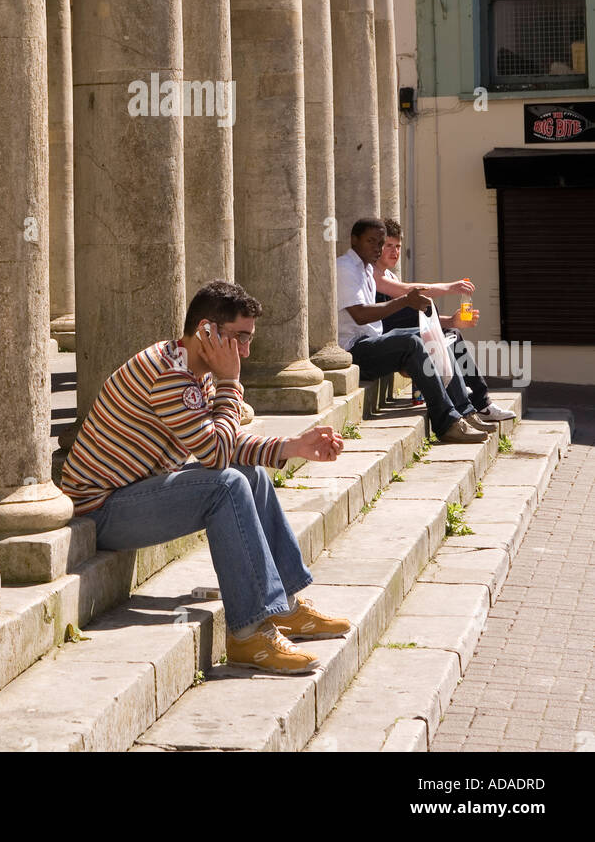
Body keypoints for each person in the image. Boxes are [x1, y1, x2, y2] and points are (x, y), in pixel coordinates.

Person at [60, 279, 352, 676]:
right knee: (226, 485)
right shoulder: (169, 375)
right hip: (103, 510)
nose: (246, 352)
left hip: (137, 493)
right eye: (240, 338)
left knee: (249, 475)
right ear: (207, 331)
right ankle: (248, 633)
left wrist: (292, 447)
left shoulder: (193, 369)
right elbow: (215, 456)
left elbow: (219, 443)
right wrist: (232, 382)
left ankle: (285, 607)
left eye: (249, 340)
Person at [336, 218, 495, 443]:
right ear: (354, 240)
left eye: (381, 243)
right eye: (371, 241)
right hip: (355, 350)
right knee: (411, 343)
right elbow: (360, 315)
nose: (377, 248)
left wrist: (446, 320)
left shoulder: (365, 269)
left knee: (433, 335)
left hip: (373, 341)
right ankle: (447, 423)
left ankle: (466, 412)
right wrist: (404, 302)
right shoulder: (345, 268)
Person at [375, 221, 513, 423]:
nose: (395, 251)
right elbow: (411, 293)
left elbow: (410, 317)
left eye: (397, 246)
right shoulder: (371, 273)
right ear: (377, 246)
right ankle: (457, 390)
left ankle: (481, 402)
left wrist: (452, 321)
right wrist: (450, 287)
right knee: (426, 305)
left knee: (452, 334)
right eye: (388, 245)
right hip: (381, 343)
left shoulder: (389, 275)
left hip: (399, 335)